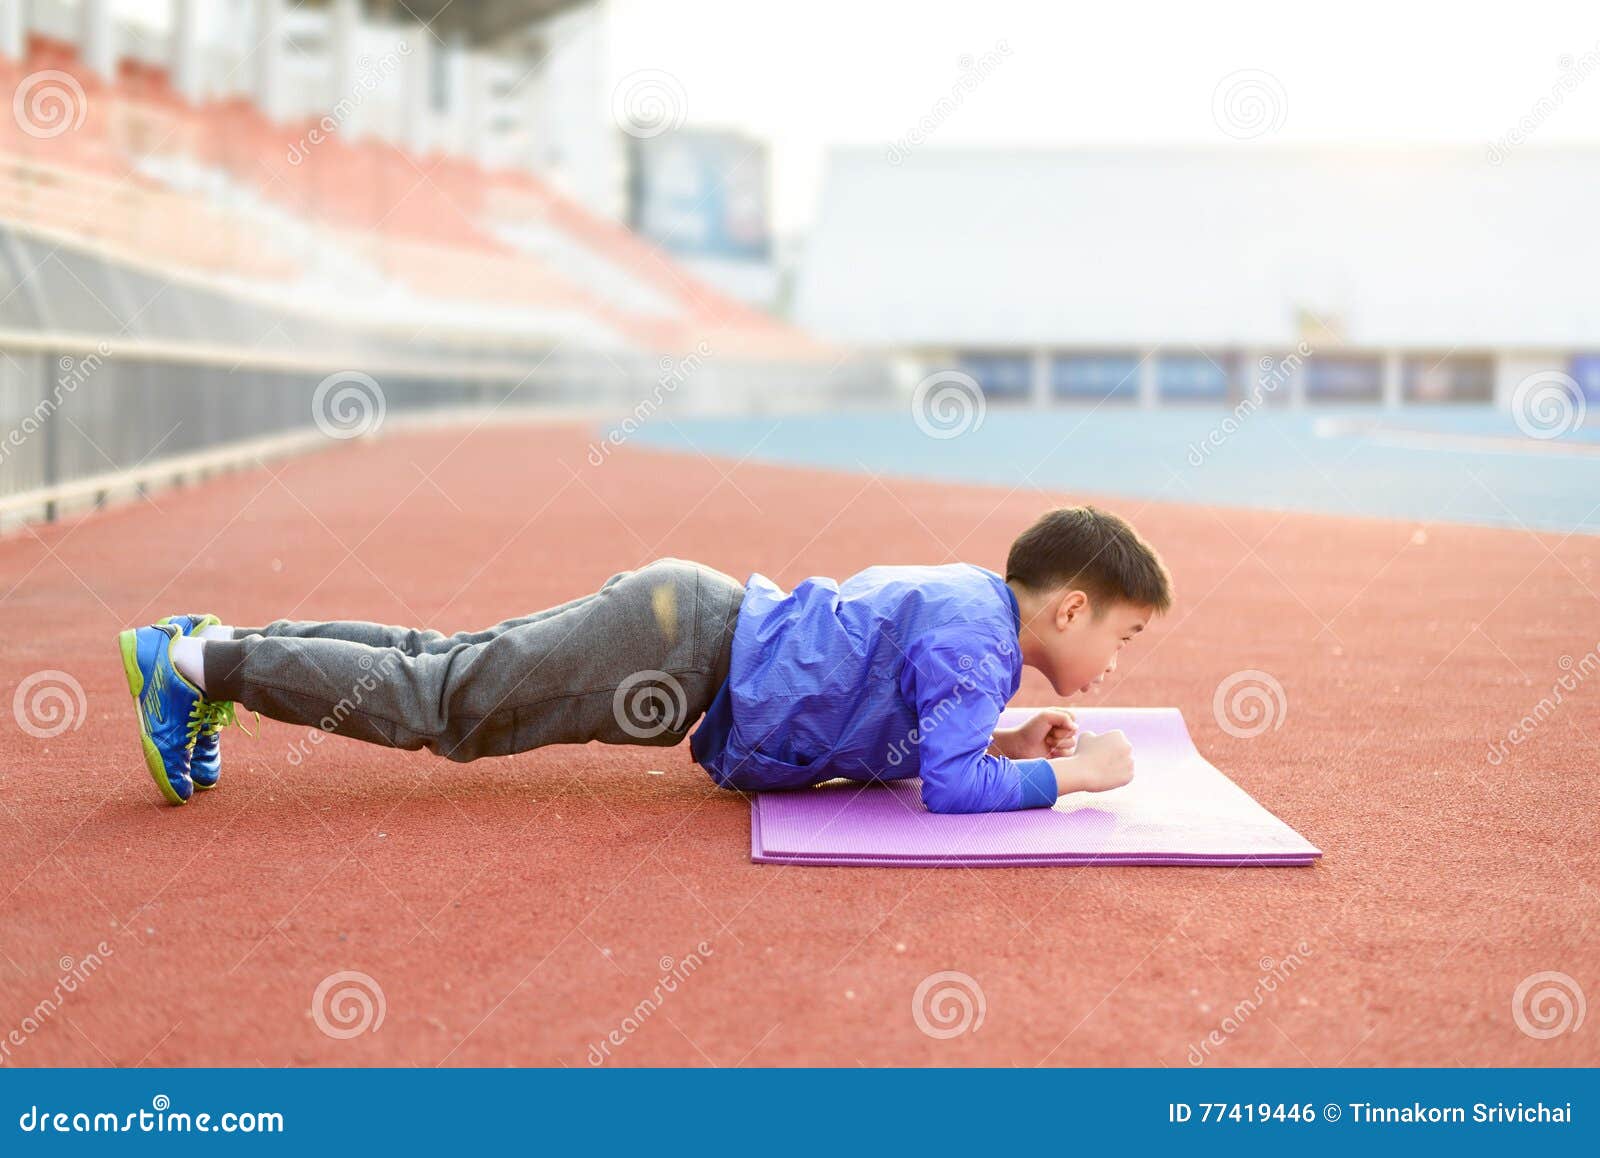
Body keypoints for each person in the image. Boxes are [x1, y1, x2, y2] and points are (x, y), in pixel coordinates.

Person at [117, 505, 1172, 813]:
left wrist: (1009, 738)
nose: (1117, 662)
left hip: (685, 626)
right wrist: (1069, 774)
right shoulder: (975, 640)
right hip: (679, 649)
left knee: (449, 664)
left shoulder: (974, 625)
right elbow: (946, 787)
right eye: (1121, 634)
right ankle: (194, 668)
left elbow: (922, 729)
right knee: (448, 705)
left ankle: (213, 651)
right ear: (1070, 606)